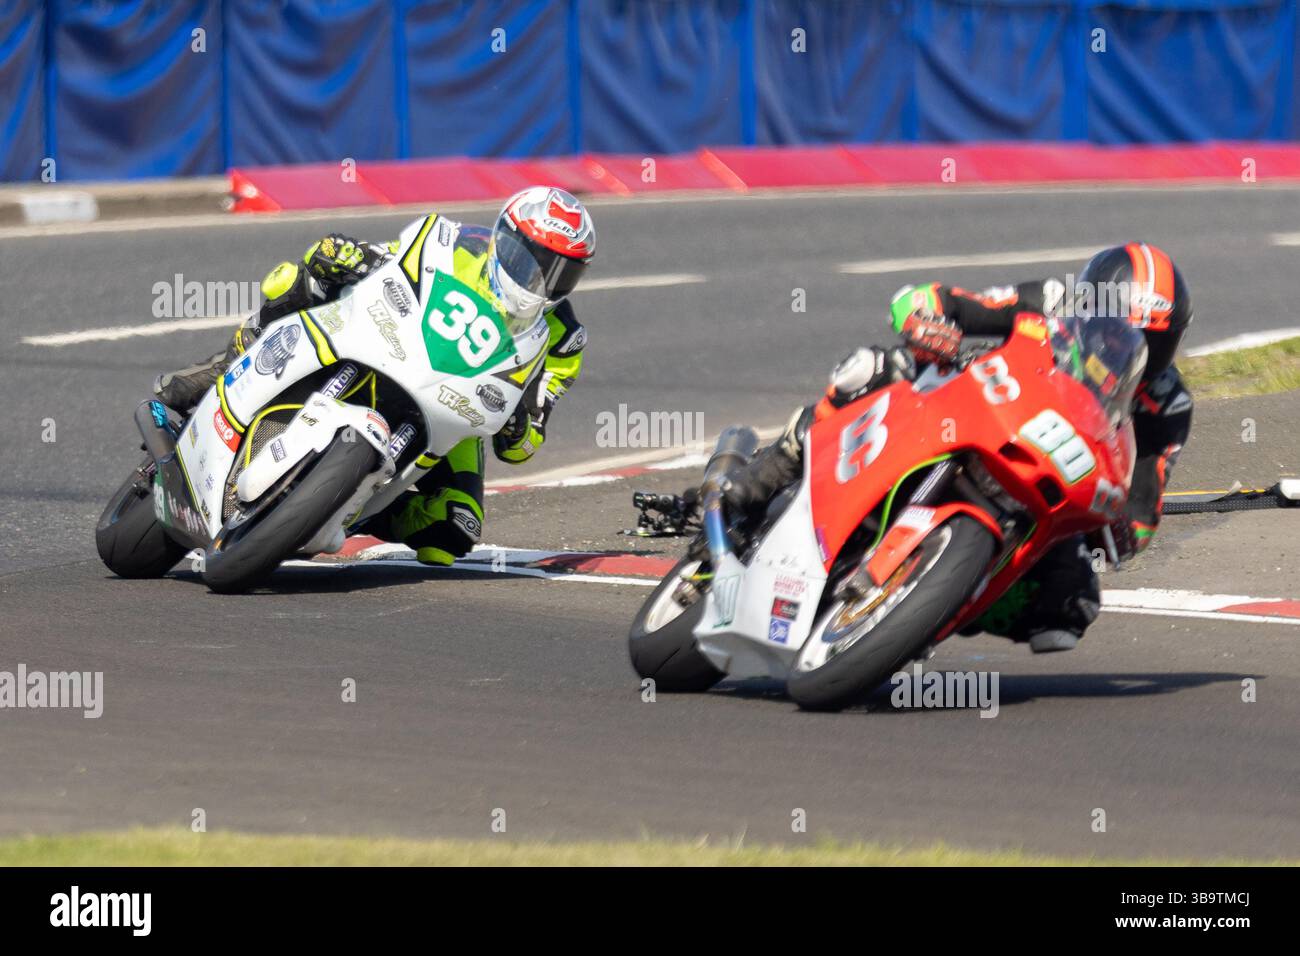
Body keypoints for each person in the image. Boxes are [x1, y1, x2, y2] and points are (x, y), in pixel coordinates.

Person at [719, 242, 1193, 653]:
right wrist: (927, 322)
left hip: (1043, 477)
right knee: (876, 368)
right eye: (1116, 330)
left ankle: (915, 614)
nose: (1127, 348)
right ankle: (765, 476)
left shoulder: (1166, 404)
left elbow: (1143, 507)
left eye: (1152, 341)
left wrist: (1121, 529)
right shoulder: (1052, 303)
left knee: (1072, 604)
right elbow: (930, 300)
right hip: (963, 410)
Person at [153, 186, 595, 566]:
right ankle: (226, 363)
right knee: (300, 275)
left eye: (562, 271)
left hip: (454, 405)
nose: (543, 279)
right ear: (504, 239)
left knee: (457, 527)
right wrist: (350, 254)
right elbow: (393, 258)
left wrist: (521, 425)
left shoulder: (562, 339)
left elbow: (527, 439)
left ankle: (350, 503)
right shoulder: (458, 246)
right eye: (532, 259)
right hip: (391, 340)